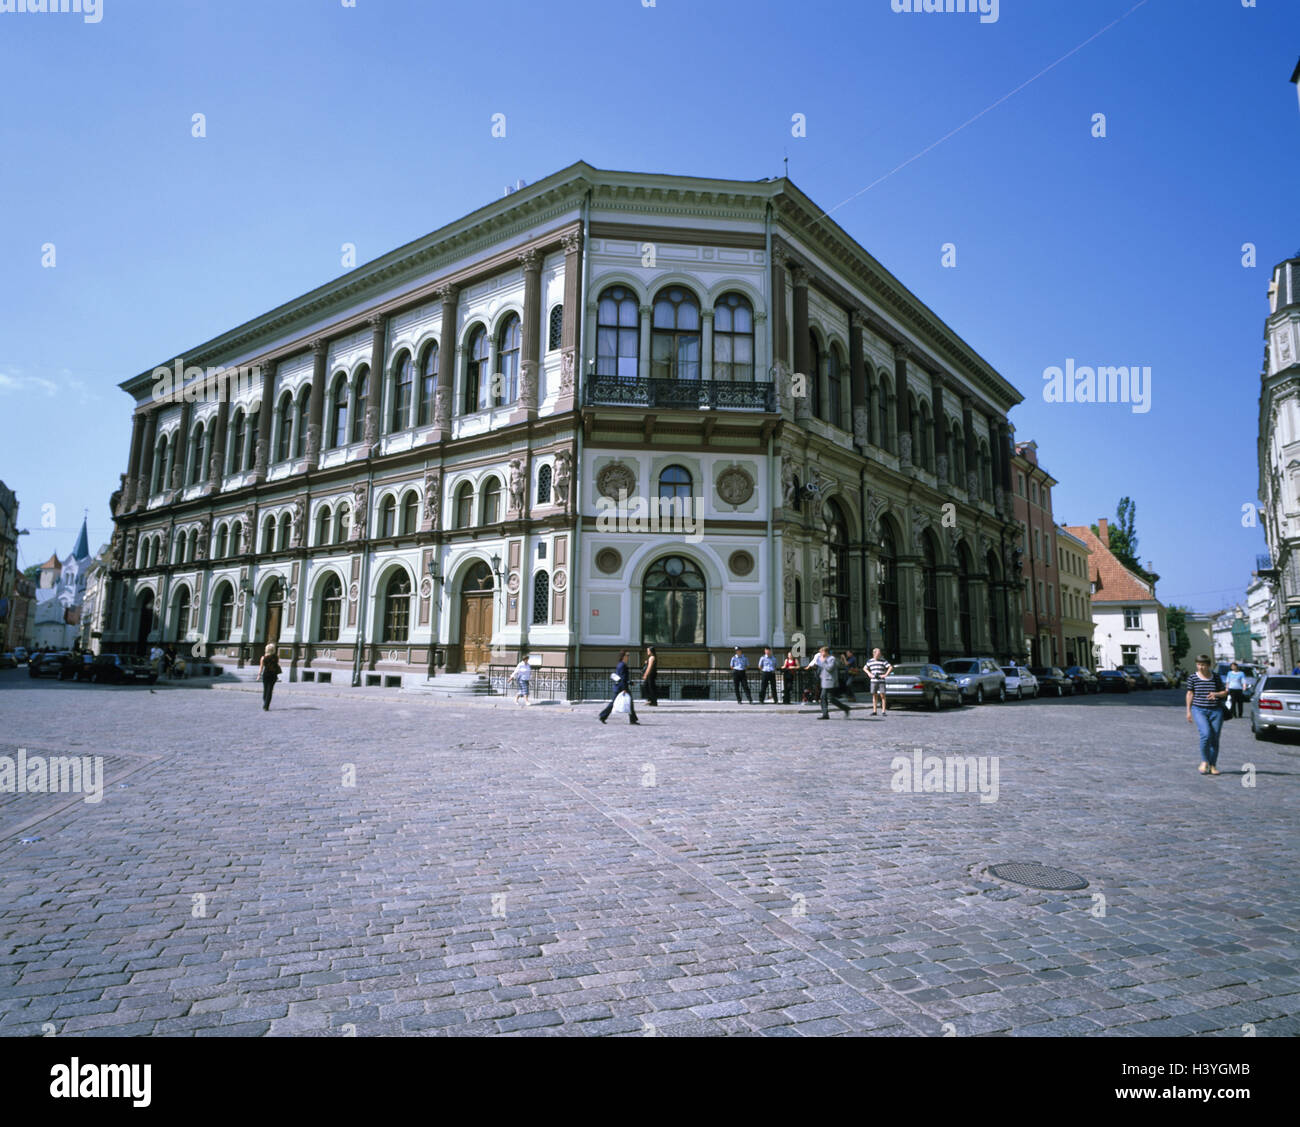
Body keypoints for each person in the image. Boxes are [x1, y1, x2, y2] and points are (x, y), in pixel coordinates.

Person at [1185, 653, 1228, 775]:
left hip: (1216, 711)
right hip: (1199, 710)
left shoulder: (1215, 677)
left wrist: (1216, 694)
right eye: (1198, 664)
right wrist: (1188, 711)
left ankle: (1213, 765)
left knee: (1215, 738)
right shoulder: (1193, 677)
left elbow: (1224, 692)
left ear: (1209, 665)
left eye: (1203, 665)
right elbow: (1190, 694)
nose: (1200, 667)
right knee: (1206, 734)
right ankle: (1204, 761)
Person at [807, 644, 851, 719]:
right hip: (825, 681)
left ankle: (843, 708)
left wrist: (823, 662)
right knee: (826, 697)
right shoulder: (823, 659)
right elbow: (822, 669)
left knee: (827, 697)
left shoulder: (831, 659)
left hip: (831, 681)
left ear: (826, 652)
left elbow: (830, 668)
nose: (820, 654)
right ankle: (827, 713)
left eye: (821, 652)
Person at [598, 649, 639, 724]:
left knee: (628, 702)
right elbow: (622, 678)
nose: (628, 657)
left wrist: (630, 683)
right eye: (627, 655)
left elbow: (623, 678)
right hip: (621, 688)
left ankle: (633, 719)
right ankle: (602, 715)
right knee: (614, 703)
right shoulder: (622, 665)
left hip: (620, 687)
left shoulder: (620, 664)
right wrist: (624, 689)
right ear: (623, 656)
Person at [865, 647, 893, 716]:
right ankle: (875, 711)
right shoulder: (870, 661)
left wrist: (885, 674)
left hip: (881, 680)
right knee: (874, 695)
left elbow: (890, 667)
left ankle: (883, 711)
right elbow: (865, 668)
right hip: (873, 680)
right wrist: (869, 673)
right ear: (874, 654)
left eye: (880, 653)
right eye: (878, 653)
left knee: (882, 695)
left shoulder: (883, 660)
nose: (879, 655)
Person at [259, 643, 281, 711]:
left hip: (266, 674)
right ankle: (266, 705)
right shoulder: (276, 657)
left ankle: (265, 703)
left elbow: (261, 667)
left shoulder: (263, 658)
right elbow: (276, 664)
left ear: (266, 649)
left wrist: (259, 675)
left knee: (265, 690)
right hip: (273, 675)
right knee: (270, 690)